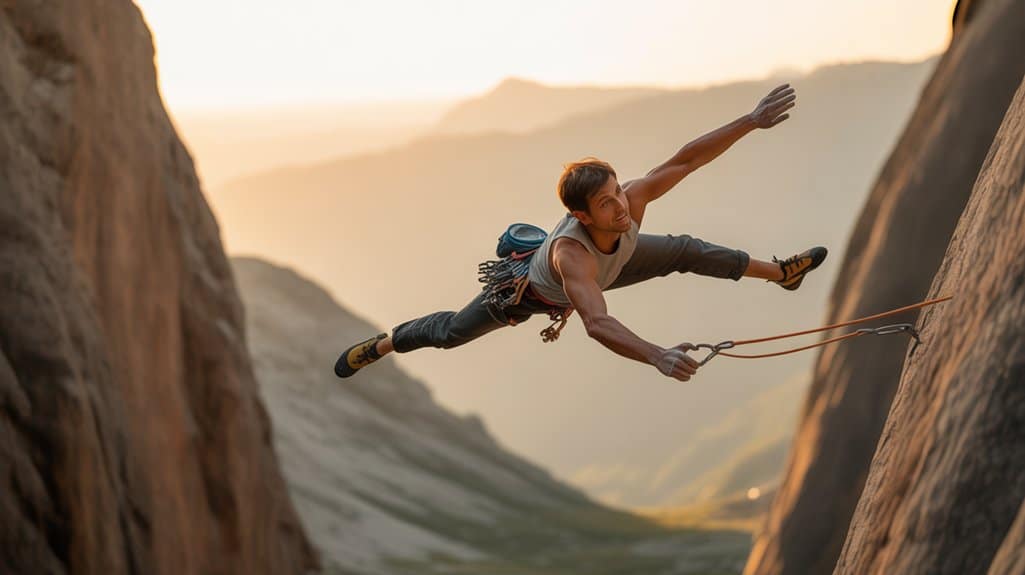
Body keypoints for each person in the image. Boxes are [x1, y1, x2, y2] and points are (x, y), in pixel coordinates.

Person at [335, 83, 826, 382]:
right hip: (531, 292)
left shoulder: (628, 204)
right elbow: (597, 323)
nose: (621, 208)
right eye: (606, 204)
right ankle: (383, 344)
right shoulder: (573, 256)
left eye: (618, 193)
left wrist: (751, 120)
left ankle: (780, 273)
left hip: (614, 261)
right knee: (449, 333)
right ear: (582, 216)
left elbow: (686, 159)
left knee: (685, 250)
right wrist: (657, 356)